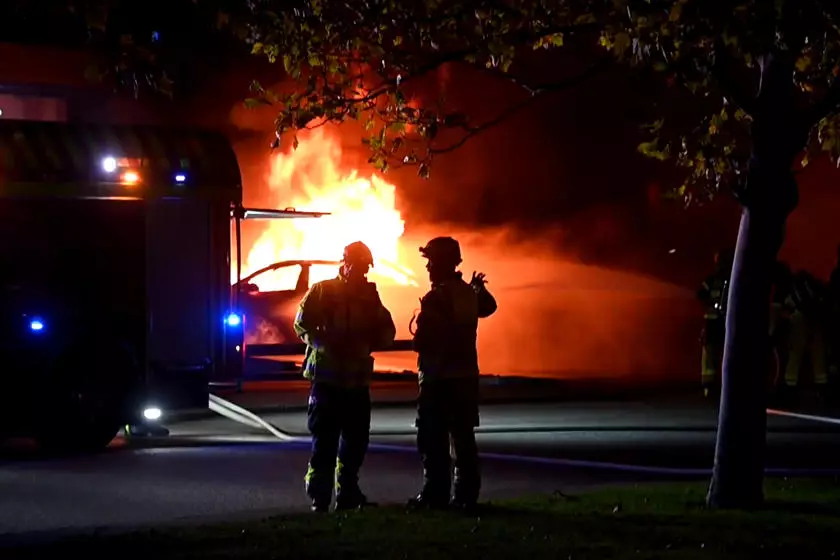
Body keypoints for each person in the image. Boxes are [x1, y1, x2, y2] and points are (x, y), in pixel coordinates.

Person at [294, 241, 396, 513]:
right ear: (345, 263)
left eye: (365, 269)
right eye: (358, 267)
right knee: (324, 443)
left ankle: (348, 495)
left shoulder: (370, 296)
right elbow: (301, 323)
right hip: (327, 383)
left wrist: (371, 340)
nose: (362, 274)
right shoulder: (323, 291)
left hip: (356, 384)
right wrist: (322, 343)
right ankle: (319, 498)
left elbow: (387, 330)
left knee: (355, 444)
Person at [407, 236, 497, 510]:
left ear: (443, 262)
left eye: (431, 261)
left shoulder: (437, 297)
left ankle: (435, 495)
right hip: (466, 378)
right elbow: (489, 307)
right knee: (464, 438)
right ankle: (466, 496)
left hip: (438, 379)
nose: (428, 267)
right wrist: (477, 288)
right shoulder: (468, 293)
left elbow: (422, 341)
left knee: (433, 439)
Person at [696, 249, 733, 397]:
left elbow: (701, 294)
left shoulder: (719, 279)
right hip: (720, 323)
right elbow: (700, 295)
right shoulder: (726, 279)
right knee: (717, 353)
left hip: (716, 323)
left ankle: (710, 387)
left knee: (712, 355)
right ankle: (713, 386)